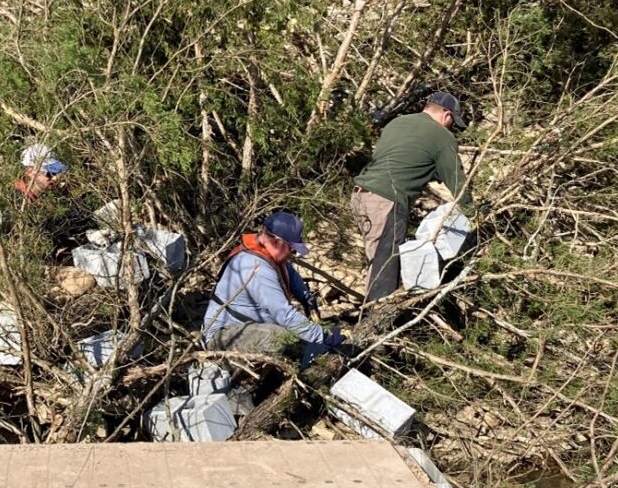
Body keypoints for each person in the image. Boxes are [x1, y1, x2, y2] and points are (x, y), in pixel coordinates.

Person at [351, 90, 472, 305]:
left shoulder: (398, 123)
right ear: (446, 114)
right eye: (454, 122)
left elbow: (405, 158)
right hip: (387, 199)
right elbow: (456, 182)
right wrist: (474, 213)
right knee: (385, 266)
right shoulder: (441, 135)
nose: (452, 127)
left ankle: (373, 314)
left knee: (377, 259)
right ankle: (375, 327)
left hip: (361, 196)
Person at [201, 211, 343, 359]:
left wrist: (308, 301)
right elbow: (283, 314)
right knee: (281, 337)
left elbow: (291, 276)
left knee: (296, 336)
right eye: (291, 247)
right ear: (276, 241)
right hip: (223, 336)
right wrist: (325, 336)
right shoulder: (255, 267)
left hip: (250, 327)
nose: (294, 252)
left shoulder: (268, 254)